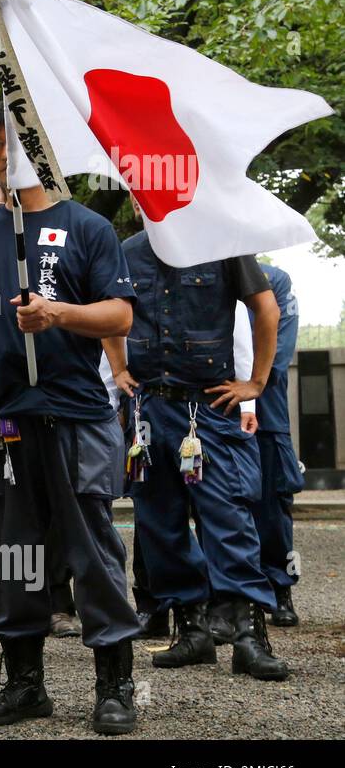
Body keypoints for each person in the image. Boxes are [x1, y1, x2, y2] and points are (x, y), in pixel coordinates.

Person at [0, 104, 141, 735]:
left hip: (75, 414)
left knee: (92, 549)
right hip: (2, 418)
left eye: (17, 143)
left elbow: (120, 317)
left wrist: (58, 314)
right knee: (15, 554)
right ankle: (25, 683)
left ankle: (115, 682)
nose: (5, 153)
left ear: (47, 150)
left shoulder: (87, 228)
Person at [107, 222, 289, 682]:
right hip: (150, 407)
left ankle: (249, 636)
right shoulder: (126, 250)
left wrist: (257, 384)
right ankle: (192, 630)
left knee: (228, 516)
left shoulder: (222, 242)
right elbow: (109, 311)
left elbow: (265, 309)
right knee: (158, 522)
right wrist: (118, 367)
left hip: (209, 404)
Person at [251, 263, 302, 627]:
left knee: (273, 506)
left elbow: (277, 356)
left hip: (267, 416)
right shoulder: (198, 271)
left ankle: (281, 587)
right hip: (214, 410)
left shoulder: (275, 280)